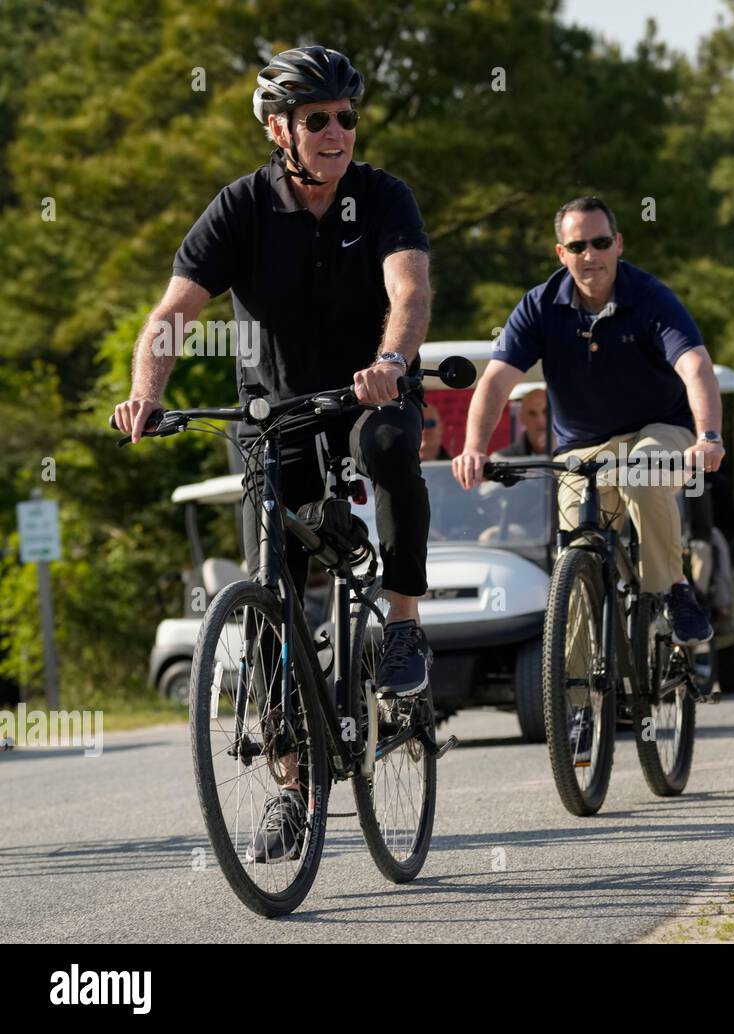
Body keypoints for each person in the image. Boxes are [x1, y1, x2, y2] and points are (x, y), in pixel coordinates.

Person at [112, 47, 434, 862]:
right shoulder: (241, 208)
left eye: (347, 118)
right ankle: (293, 784)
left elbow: (410, 291)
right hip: (277, 414)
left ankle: (401, 627)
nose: (337, 132)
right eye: (318, 119)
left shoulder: (384, 196)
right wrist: (146, 390)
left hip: (368, 394)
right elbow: (172, 313)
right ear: (278, 129)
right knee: (267, 587)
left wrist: (392, 362)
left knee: (394, 443)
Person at [454, 195, 721, 660]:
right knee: (574, 562)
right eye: (577, 246)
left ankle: (673, 591)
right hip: (583, 448)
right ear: (561, 253)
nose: (590, 255)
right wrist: (474, 447)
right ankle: (576, 707)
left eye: (600, 243)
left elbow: (695, 365)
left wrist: (709, 437)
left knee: (643, 472)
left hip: (659, 428)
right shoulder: (539, 307)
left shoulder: (650, 297)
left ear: (618, 244)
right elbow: (497, 379)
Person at [496, 387, 550, 457]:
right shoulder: (504, 459)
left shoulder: (568, 455)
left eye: (545, 412)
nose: (540, 420)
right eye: (532, 413)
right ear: (522, 418)